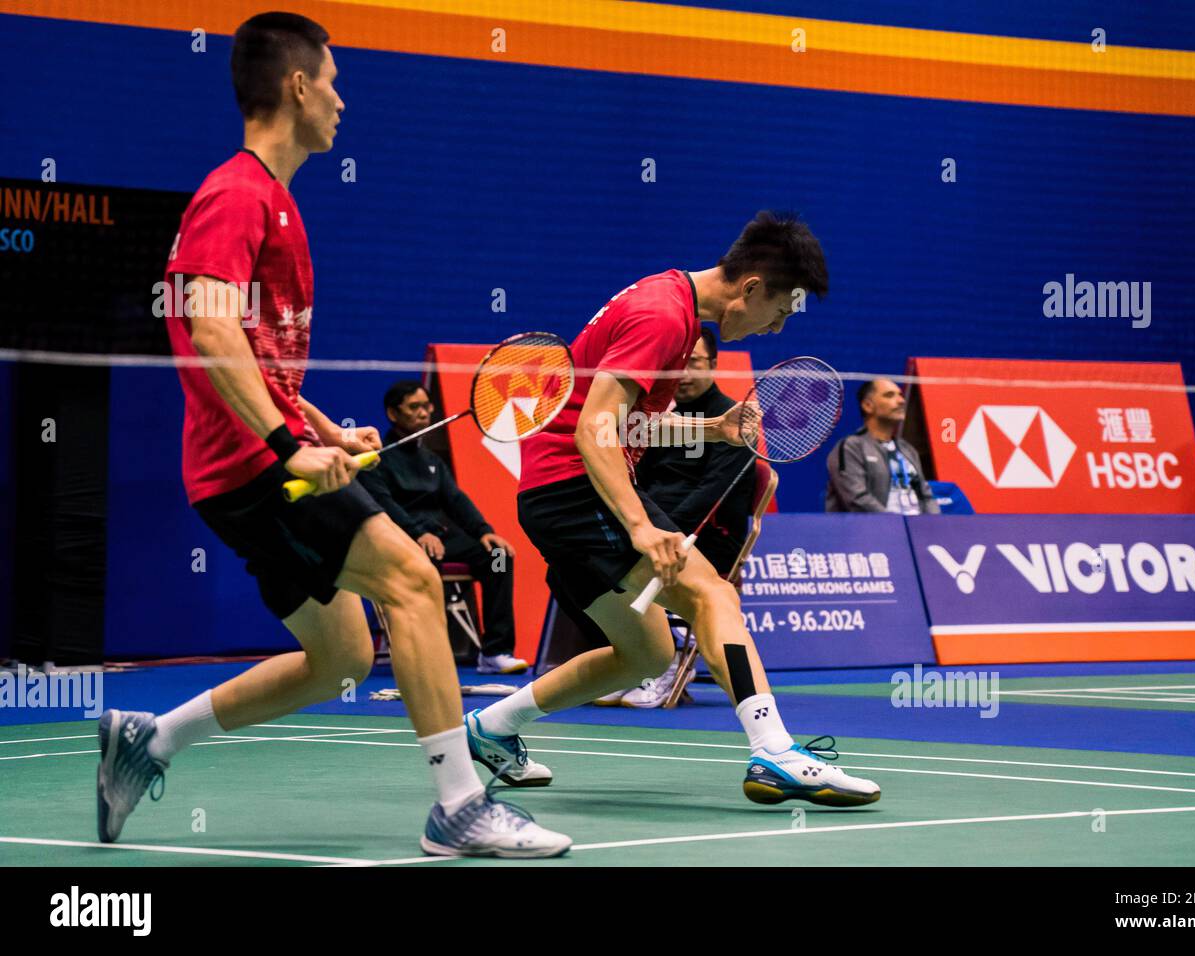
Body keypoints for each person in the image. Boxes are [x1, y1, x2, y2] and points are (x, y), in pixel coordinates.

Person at [95, 12, 568, 858]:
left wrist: (314, 424)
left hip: (257, 461)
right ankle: (458, 804)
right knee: (416, 581)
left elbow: (256, 352)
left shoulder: (273, 202)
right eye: (336, 80)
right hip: (253, 471)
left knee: (342, 657)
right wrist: (286, 449)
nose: (344, 101)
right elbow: (209, 333)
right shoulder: (234, 193)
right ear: (298, 85)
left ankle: (150, 740)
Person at [461, 212, 881, 808]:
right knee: (714, 595)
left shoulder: (669, 303)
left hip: (555, 494)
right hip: (577, 486)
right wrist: (639, 525)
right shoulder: (663, 317)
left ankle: (490, 728)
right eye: (781, 311)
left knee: (646, 654)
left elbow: (625, 423)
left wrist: (713, 427)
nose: (778, 328)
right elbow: (594, 430)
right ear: (752, 287)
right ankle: (776, 751)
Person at [599, 328, 755, 707]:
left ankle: (665, 666)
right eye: (679, 365)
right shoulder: (657, 418)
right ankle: (631, 662)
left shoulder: (733, 421)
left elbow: (711, 497)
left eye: (695, 364)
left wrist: (652, 530)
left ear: (715, 365)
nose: (684, 373)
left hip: (706, 537)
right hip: (651, 527)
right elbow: (635, 477)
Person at [359, 381, 528, 675]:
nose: (424, 413)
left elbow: (455, 500)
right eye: (414, 407)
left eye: (427, 406)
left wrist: (483, 531)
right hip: (401, 540)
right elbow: (383, 506)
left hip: (439, 538)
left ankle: (495, 652)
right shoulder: (376, 460)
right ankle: (427, 652)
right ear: (392, 413)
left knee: (498, 558)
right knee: (427, 561)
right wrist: (417, 534)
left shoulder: (431, 461)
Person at [825, 378, 939, 514]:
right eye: (890, 395)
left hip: (916, 531)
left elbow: (927, 497)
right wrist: (896, 525)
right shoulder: (851, 447)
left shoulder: (908, 450)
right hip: (874, 531)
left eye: (901, 395)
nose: (901, 401)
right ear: (868, 406)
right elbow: (857, 500)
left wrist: (934, 526)